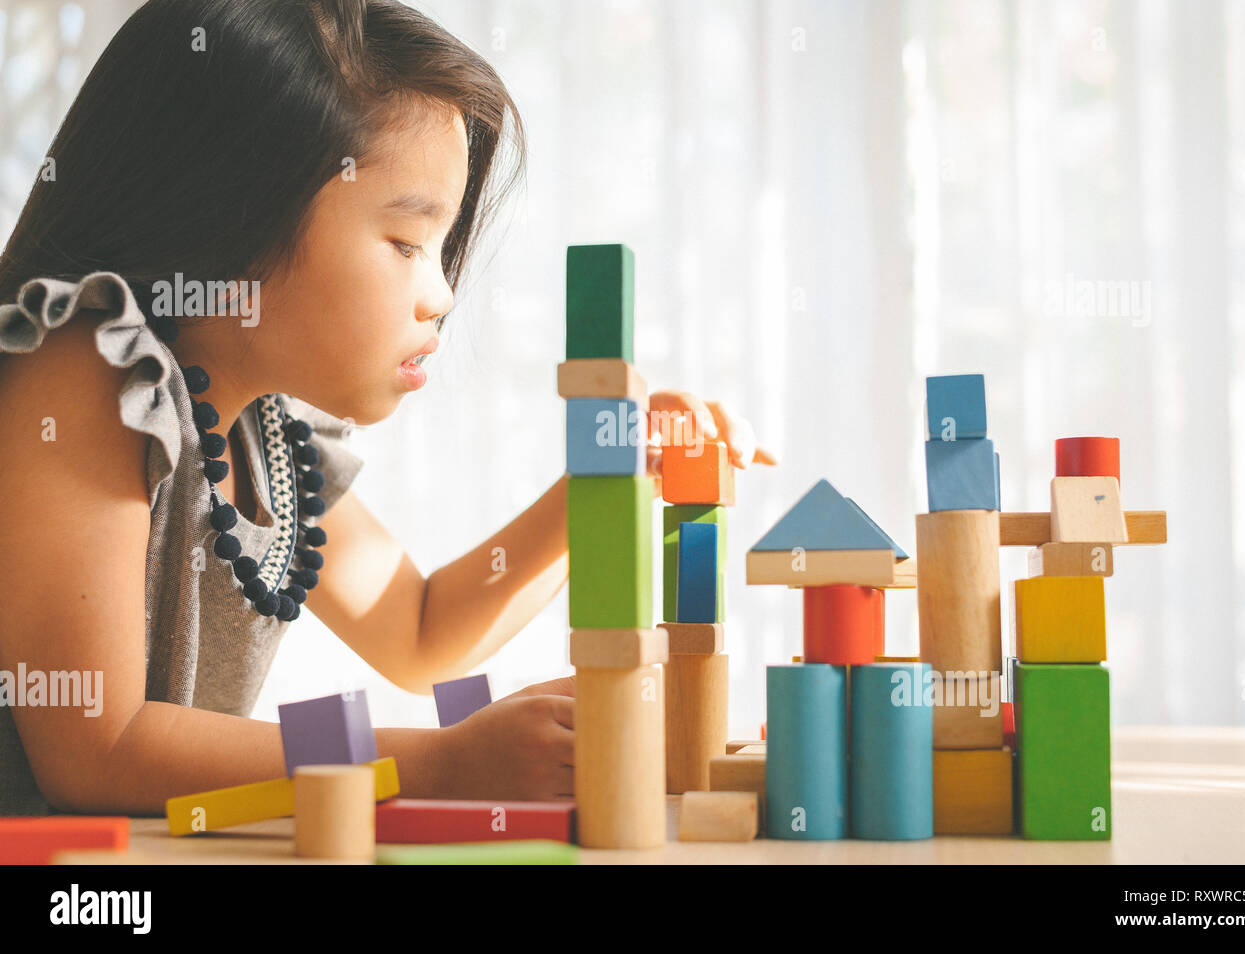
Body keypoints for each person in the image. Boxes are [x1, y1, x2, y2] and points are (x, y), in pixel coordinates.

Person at [0, 0, 768, 816]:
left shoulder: (268, 439)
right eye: (407, 243)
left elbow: (419, 632)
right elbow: (99, 749)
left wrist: (619, 468)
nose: (441, 294)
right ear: (232, 209)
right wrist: (433, 763)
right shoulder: (84, 368)